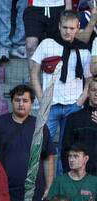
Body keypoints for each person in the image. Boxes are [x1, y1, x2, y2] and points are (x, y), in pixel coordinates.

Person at [29, 11, 91, 160]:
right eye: (64, 27)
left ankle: (60, 182)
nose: (67, 31)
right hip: (50, 105)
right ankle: (42, 182)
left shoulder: (83, 49)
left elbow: (89, 79)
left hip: (74, 106)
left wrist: (82, 98)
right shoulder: (47, 44)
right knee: (42, 148)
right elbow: (33, 73)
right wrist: (42, 98)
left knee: (68, 150)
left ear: (78, 28)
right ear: (59, 26)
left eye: (71, 28)